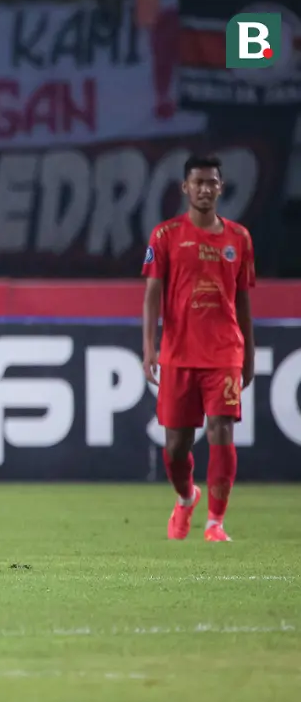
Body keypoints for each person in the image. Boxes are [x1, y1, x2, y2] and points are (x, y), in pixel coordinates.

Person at [142, 154, 255, 543]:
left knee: (221, 429)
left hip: (224, 352)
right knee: (176, 447)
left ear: (221, 188)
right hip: (178, 353)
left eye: (212, 182)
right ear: (185, 188)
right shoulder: (165, 235)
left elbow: (242, 301)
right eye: (198, 182)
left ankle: (215, 523)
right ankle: (186, 495)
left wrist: (249, 355)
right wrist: (149, 347)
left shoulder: (239, 238)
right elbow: (152, 295)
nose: (205, 188)